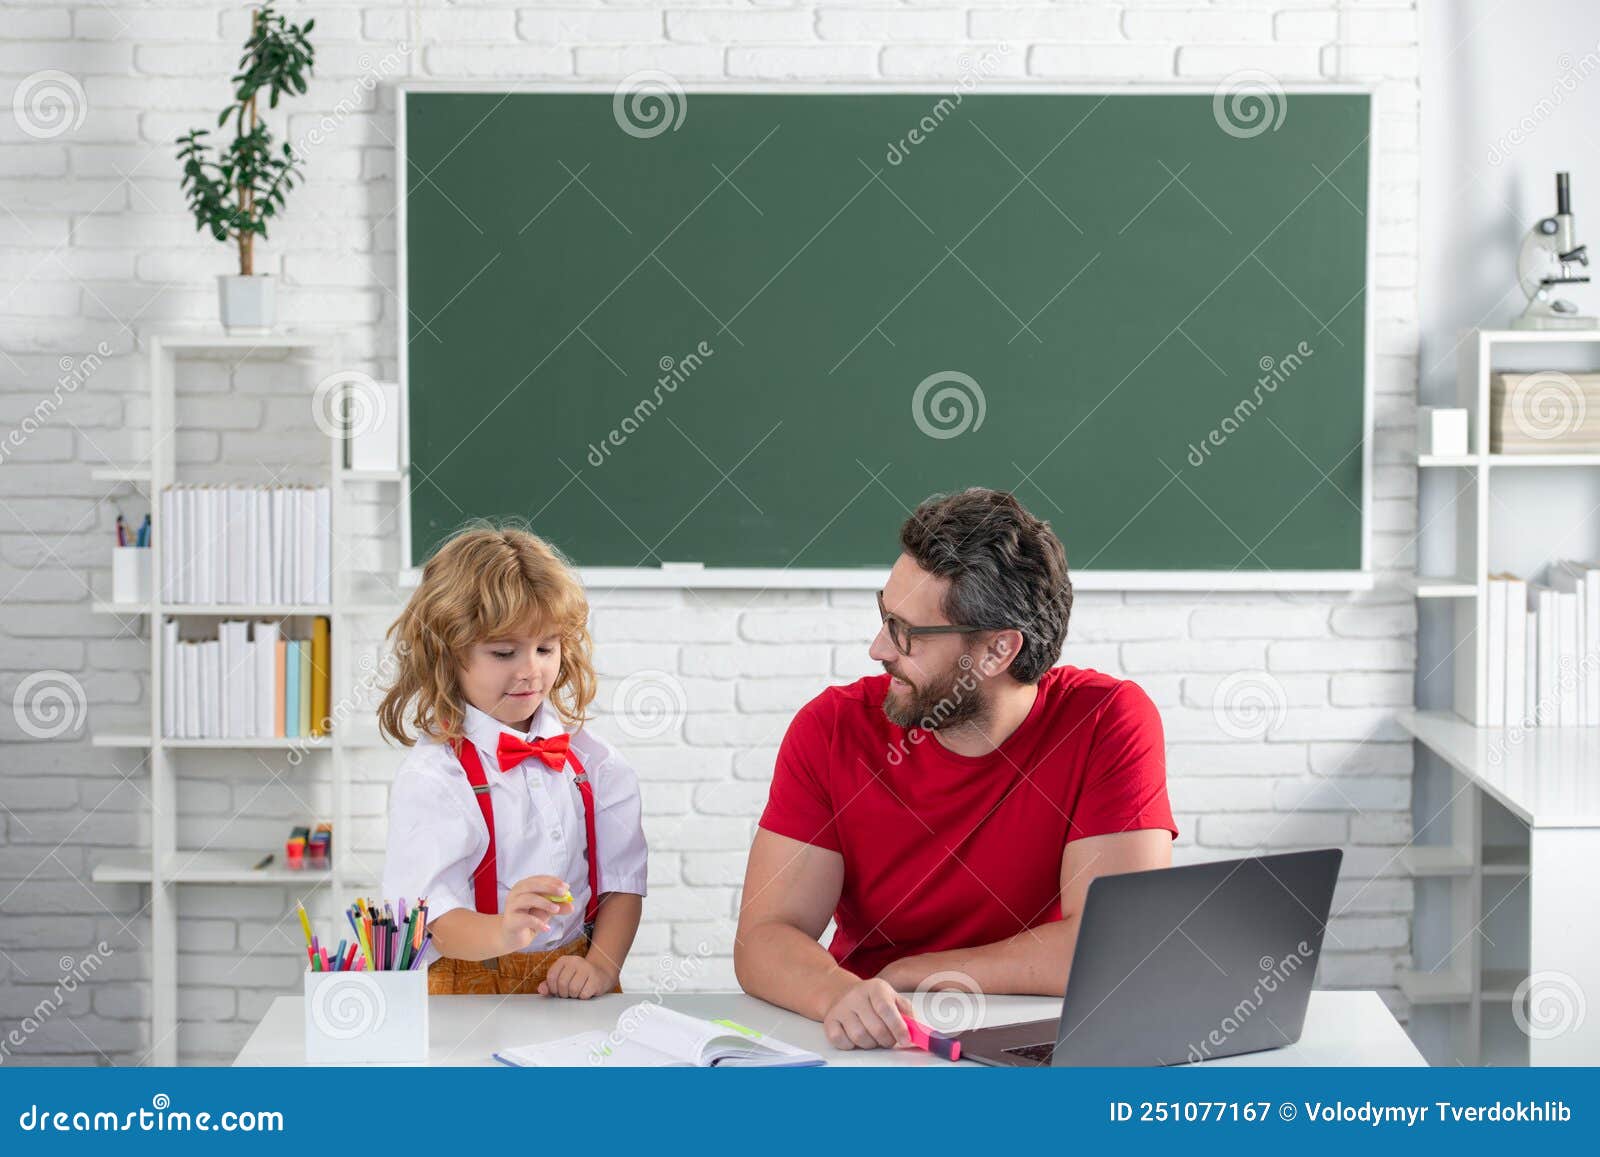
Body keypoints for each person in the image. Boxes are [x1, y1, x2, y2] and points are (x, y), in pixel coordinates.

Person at [735, 488, 1176, 1049]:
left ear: (997, 651)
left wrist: (910, 970)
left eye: (906, 633)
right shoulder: (832, 728)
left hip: (1041, 1038)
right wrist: (838, 993)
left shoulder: (1107, 720)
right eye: (883, 618)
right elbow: (765, 939)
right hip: (881, 1040)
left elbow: (1115, 948)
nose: (878, 649)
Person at [377, 523, 647, 997]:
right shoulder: (434, 777)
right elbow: (434, 918)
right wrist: (502, 930)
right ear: (447, 654)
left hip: (572, 980)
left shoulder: (599, 765)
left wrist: (602, 966)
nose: (530, 670)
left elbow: (622, 884)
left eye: (546, 648)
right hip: (468, 985)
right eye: (504, 652)